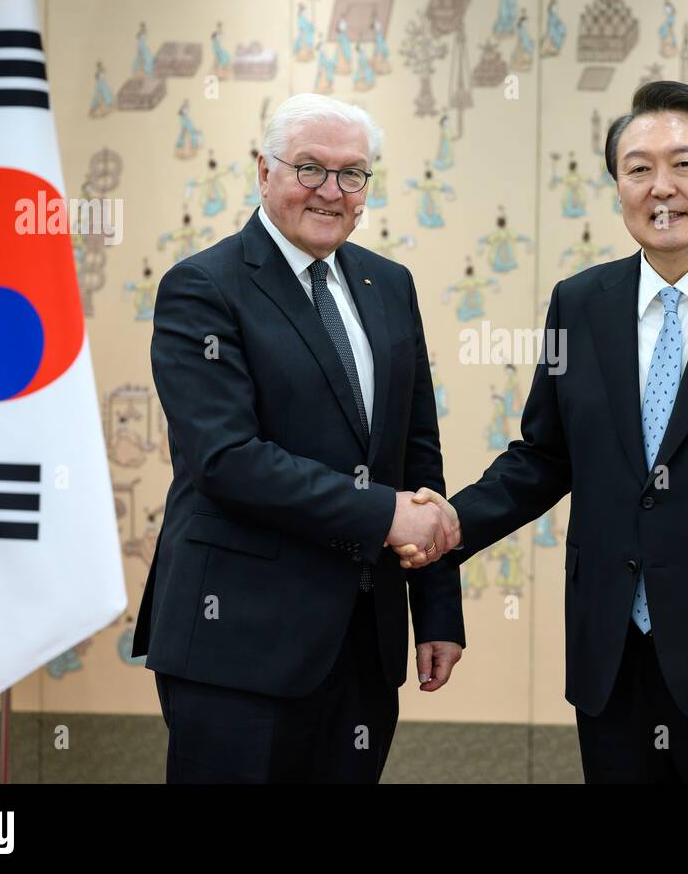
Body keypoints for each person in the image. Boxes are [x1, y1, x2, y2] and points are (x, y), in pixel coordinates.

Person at [401, 81, 688, 783]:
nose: (662, 188)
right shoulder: (580, 303)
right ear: (617, 185)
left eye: (684, 163)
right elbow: (544, 456)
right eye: (638, 168)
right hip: (614, 650)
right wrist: (450, 522)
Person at [132, 94, 464, 783]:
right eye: (309, 167)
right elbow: (228, 461)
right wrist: (386, 514)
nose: (330, 191)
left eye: (352, 174)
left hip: (364, 647)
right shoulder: (203, 287)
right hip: (236, 646)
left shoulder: (388, 285)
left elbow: (418, 455)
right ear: (263, 171)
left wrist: (437, 609)